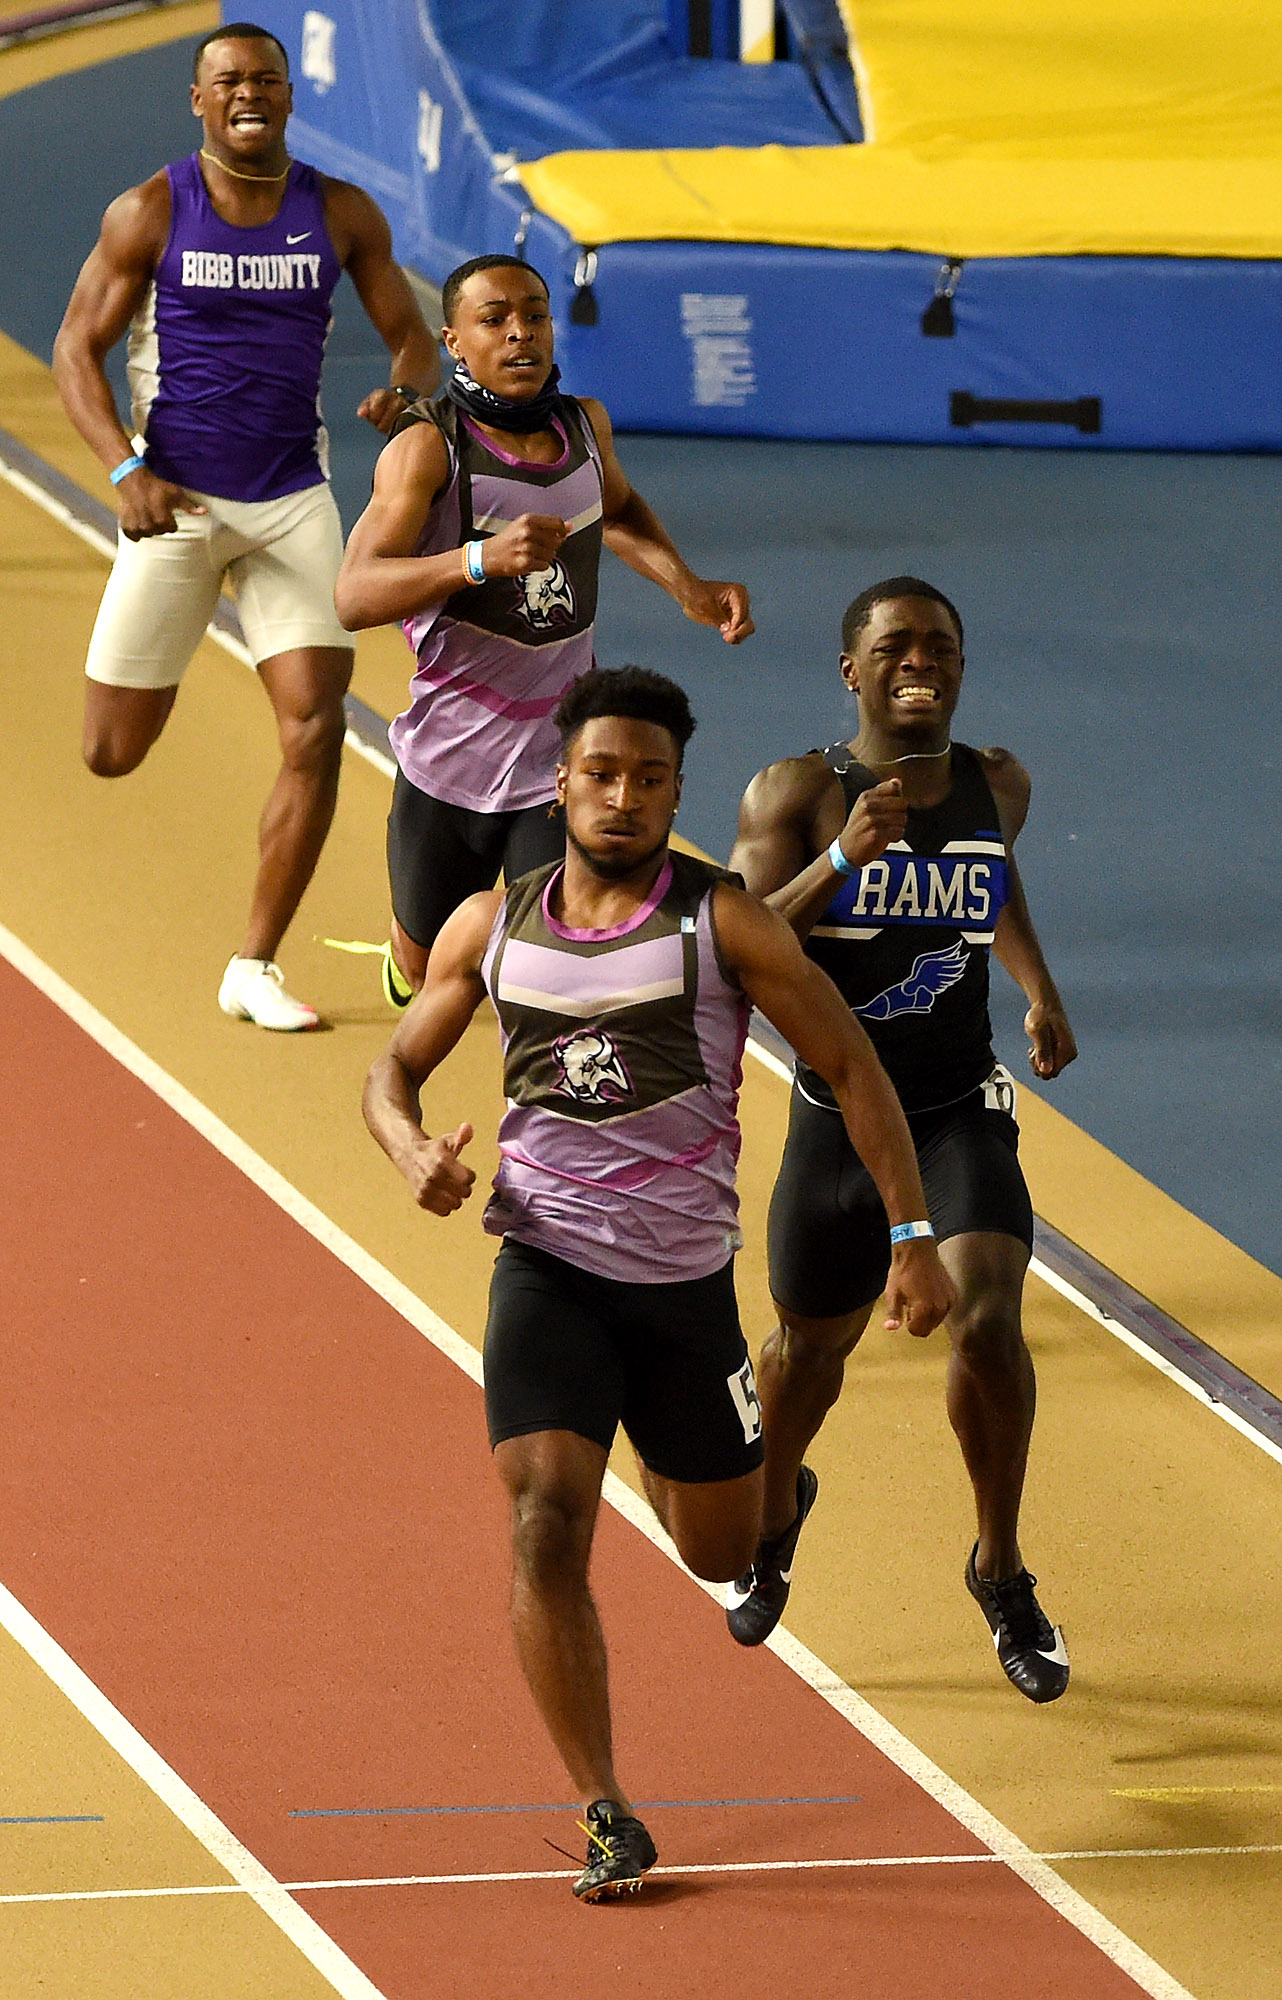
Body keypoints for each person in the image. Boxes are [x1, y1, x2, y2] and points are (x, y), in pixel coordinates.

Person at [362, 665, 953, 1898]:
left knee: (717, 1551)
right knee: (542, 1523)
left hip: (684, 1289)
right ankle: (605, 1808)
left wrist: (911, 1236)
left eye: (648, 777)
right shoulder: (495, 923)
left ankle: (772, 1490)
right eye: (600, 773)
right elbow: (392, 1066)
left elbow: (851, 1066)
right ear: (560, 782)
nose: (623, 796)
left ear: (675, 788)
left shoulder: (724, 922)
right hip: (546, 1270)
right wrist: (410, 1145)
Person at [726, 577, 1078, 1702]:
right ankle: (777, 1511)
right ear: (852, 670)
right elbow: (734, 944)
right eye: (893, 645)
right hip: (836, 1119)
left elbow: (993, 873)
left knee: (985, 1315)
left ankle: (999, 1566)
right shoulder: (796, 791)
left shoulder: (996, 781)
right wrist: (841, 860)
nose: (918, 659)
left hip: (954, 1107)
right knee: (802, 1358)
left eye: (939, 644)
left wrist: (1034, 983)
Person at [52, 23, 440, 1030]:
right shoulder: (150, 209)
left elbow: (413, 339)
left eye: (266, 78)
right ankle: (161, 645)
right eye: (228, 81)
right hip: (175, 501)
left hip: (290, 501)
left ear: (288, 94)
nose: (249, 94)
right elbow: (73, 351)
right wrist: (125, 469)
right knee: (109, 750)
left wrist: (402, 398)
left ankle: (253, 965)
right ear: (199, 99)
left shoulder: (339, 212)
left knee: (314, 723)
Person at [334, 255, 753, 1007]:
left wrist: (688, 586)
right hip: (450, 764)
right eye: (494, 320)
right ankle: (405, 957)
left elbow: (616, 511)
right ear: (454, 341)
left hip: (555, 763)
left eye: (535, 314)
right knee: (428, 969)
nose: (521, 334)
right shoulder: (428, 450)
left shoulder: (585, 428)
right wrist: (479, 560)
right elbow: (354, 593)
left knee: (552, 974)